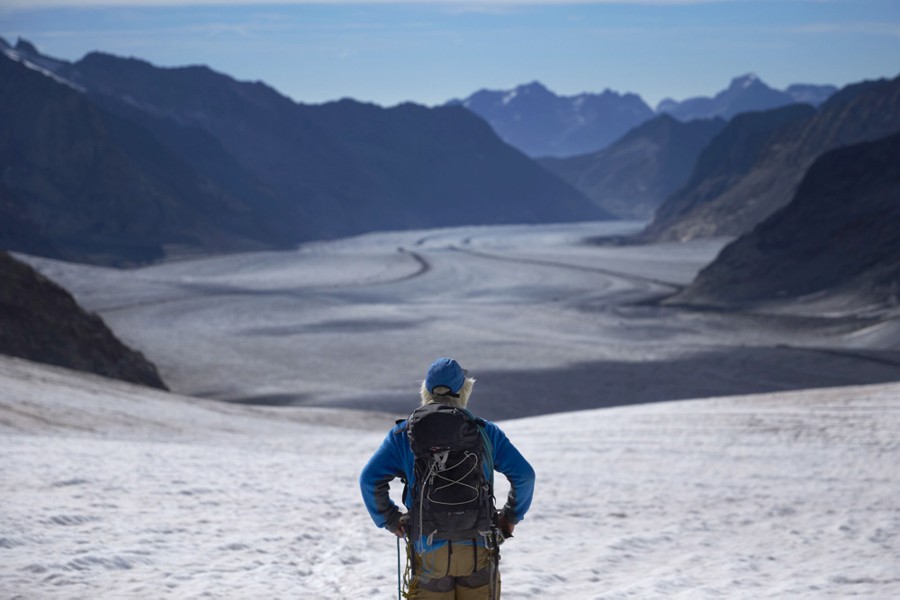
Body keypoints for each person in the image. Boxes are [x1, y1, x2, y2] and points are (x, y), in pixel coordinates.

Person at [360, 358, 535, 599]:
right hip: (478, 547)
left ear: (426, 391)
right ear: (465, 391)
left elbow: (369, 480)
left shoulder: (403, 435)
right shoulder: (485, 432)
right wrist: (511, 516)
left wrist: (390, 519)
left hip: (428, 549)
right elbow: (525, 476)